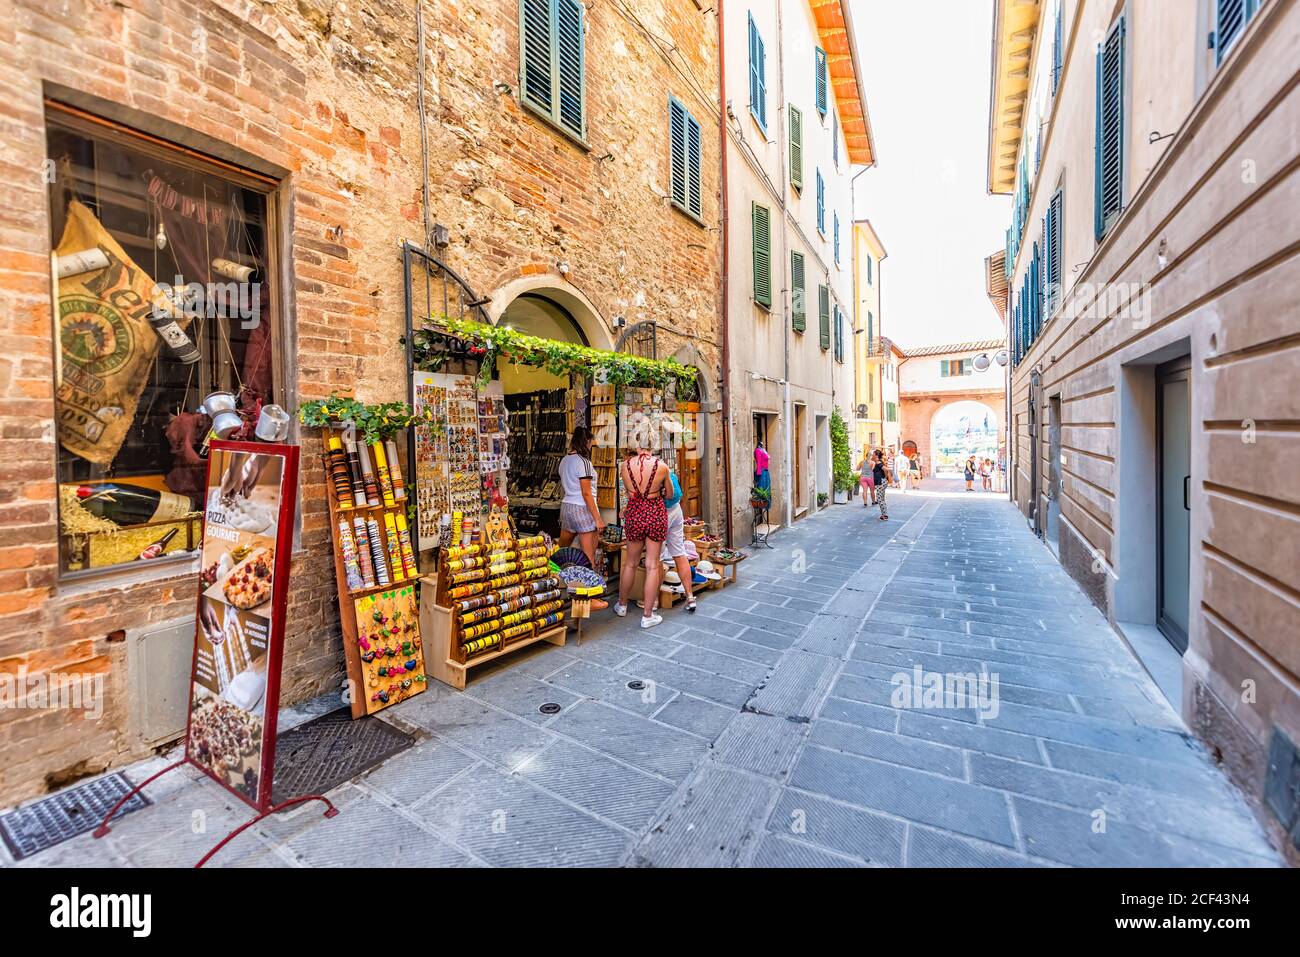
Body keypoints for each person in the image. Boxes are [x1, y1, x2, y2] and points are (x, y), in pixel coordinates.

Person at [616, 442, 670, 628]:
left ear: (636, 445)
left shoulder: (625, 465)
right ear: (653, 444)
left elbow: (629, 493)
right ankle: (647, 615)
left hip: (634, 513)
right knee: (652, 565)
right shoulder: (661, 466)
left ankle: (622, 605)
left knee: (631, 562)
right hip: (655, 513)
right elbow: (670, 494)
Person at [557, 426, 604, 566]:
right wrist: (598, 519)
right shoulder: (584, 462)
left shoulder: (564, 460)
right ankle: (591, 586)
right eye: (590, 442)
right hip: (582, 508)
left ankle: (556, 578)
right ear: (587, 441)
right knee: (588, 556)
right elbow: (586, 493)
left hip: (566, 506)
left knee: (562, 550)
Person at [655, 464, 697, 613]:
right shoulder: (663, 466)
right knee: (680, 554)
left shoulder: (648, 468)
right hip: (676, 510)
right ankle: (690, 596)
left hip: (660, 514)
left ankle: (654, 600)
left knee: (657, 559)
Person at [872, 449, 890, 521]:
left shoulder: (879, 463)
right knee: (881, 499)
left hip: (880, 482)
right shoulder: (878, 462)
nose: (872, 455)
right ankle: (884, 514)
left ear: (876, 455)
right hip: (881, 482)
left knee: (879, 499)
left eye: (873, 454)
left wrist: (884, 477)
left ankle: (885, 515)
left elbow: (886, 469)